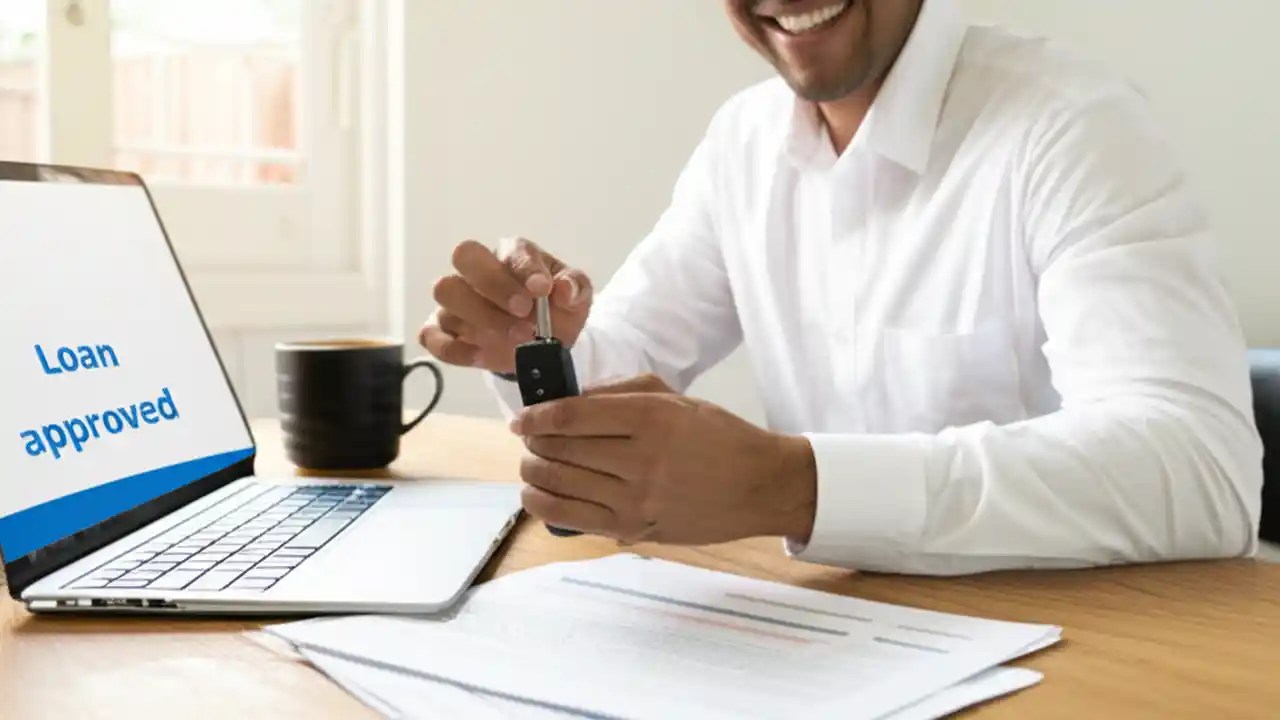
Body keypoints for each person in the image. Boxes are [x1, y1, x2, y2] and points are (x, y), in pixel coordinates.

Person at [419, 0, 1264, 575]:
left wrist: (791, 484)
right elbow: (626, 366)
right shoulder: (743, 143)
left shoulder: (1071, 125)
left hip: (1088, 652)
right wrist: (536, 345)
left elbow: (1200, 474)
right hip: (842, 639)